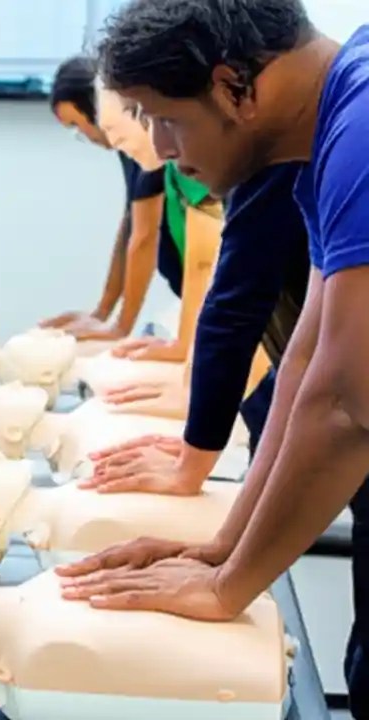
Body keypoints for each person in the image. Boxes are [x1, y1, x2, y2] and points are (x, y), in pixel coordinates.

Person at [53, 1, 369, 713]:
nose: (161, 147)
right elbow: (305, 364)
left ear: (234, 88)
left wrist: (228, 588)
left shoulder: (362, 129)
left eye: (161, 115)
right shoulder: (325, 140)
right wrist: (223, 547)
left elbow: (351, 404)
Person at [84, 163, 310, 495]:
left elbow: (232, 308)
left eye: (165, 120)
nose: (164, 149)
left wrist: (197, 448)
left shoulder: (274, 173)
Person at [42, 55, 168, 342]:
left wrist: (120, 328)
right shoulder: (130, 150)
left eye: (77, 125)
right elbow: (130, 226)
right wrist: (101, 312)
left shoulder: (148, 144)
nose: (83, 136)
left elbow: (146, 237)